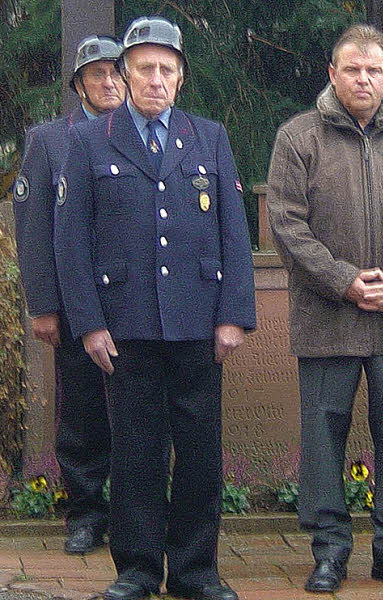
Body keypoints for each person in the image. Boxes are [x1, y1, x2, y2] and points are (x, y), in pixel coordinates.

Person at [53, 16, 256, 600]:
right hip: (126, 327)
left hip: (197, 324)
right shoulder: (90, 141)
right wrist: (89, 324)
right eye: (145, 67)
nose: (156, 79)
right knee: (136, 453)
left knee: (199, 455)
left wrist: (232, 315)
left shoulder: (208, 137)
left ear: (181, 78)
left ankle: (195, 571)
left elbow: (232, 234)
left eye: (167, 69)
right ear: (124, 73)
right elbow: (72, 242)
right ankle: (138, 571)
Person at [266, 23, 383, 594]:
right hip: (329, 319)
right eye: (352, 69)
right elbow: (287, 227)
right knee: (324, 434)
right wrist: (347, 282)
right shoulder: (298, 138)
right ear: (333, 73)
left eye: (374, 70)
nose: (364, 79)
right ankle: (328, 552)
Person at [12, 35, 125, 556]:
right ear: (78, 83)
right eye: (97, 75)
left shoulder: (149, 136)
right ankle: (84, 512)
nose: (109, 84)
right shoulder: (49, 140)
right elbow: (34, 228)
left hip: (140, 304)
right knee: (80, 412)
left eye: (116, 74)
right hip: (78, 306)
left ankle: (135, 513)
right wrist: (44, 304)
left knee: (139, 414)